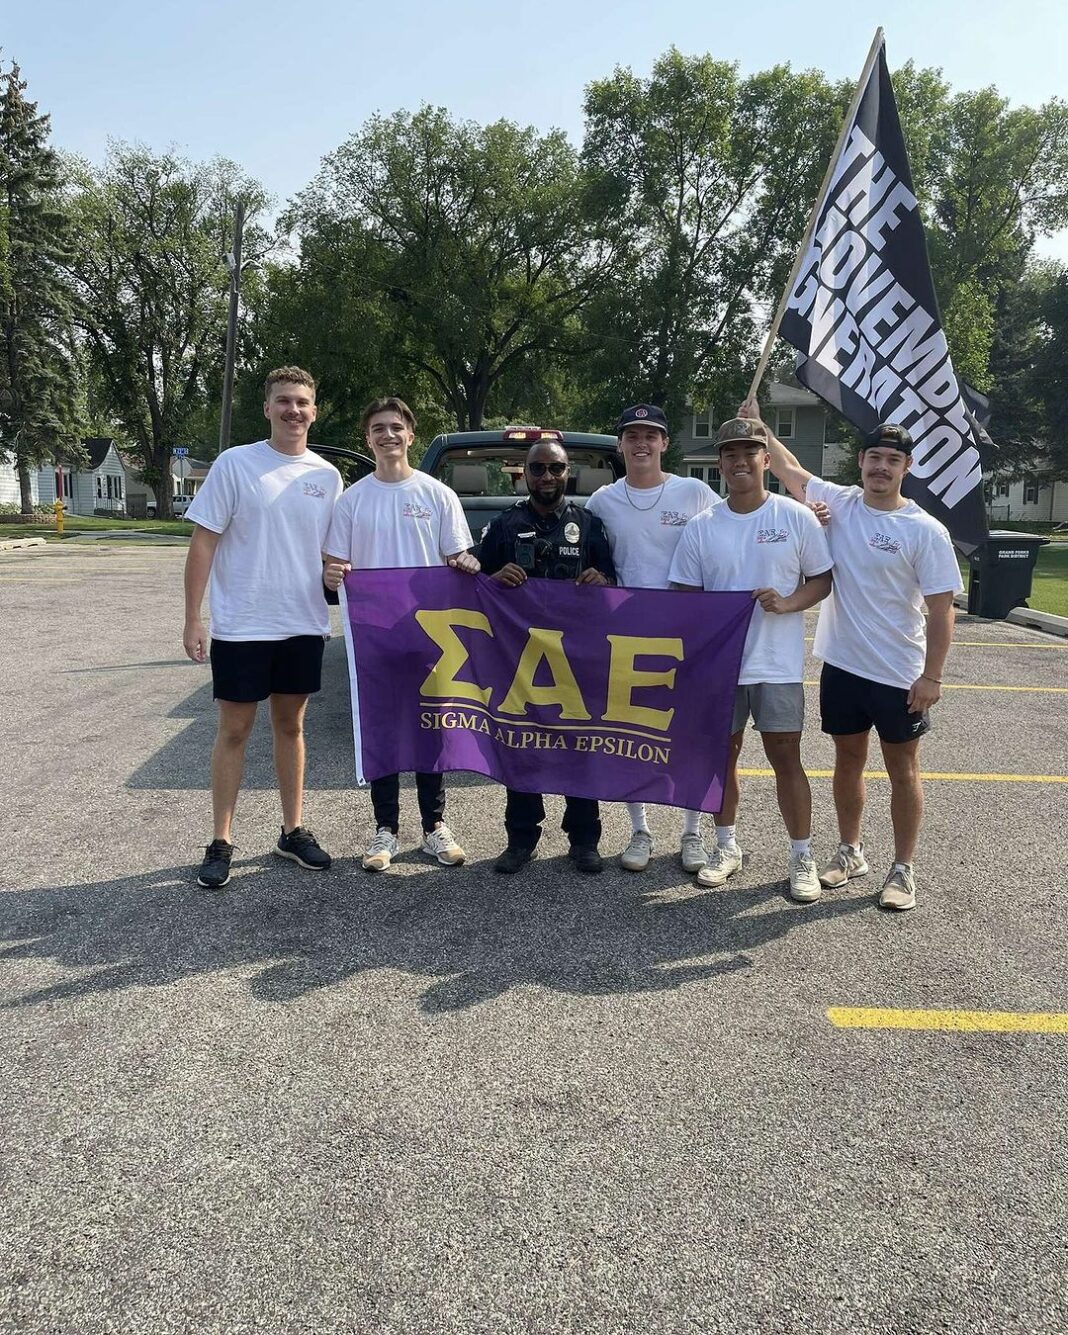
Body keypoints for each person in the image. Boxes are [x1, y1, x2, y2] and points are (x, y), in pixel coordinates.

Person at [755, 406, 963, 911]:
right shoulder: (840, 503)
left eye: (892, 460)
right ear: (862, 462)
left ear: (906, 467)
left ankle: (903, 868)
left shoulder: (925, 530)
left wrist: (932, 676)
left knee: (902, 770)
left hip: (898, 672)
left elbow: (942, 609)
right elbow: (788, 471)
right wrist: (760, 426)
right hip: (843, 666)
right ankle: (851, 851)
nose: (881, 468)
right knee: (847, 763)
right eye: (874, 458)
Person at [184, 366, 343, 889]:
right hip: (242, 624)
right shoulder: (236, 464)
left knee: (291, 728)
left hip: (302, 623)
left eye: (302, 402)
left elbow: (331, 553)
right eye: (284, 401)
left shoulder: (327, 476)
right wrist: (193, 617)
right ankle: (221, 840)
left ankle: (292, 831)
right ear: (267, 408)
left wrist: (334, 573)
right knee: (234, 731)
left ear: (314, 411)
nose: (293, 410)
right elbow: (203, 542)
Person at [669, 416, 833, 901]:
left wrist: (788, 602)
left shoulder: (796, 517)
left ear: (765, 459)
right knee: (723, 758)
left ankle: (802, 856)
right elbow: (685, 596)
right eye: (730, 454)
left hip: (776, 664)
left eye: (748, 453)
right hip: (721, 667)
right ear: (719, 463)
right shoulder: (703, 527)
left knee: (787, 758)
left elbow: (821, 579)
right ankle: (726, 846)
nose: (739, 461)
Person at [323, 396, 479, 873]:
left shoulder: (438, 495)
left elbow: (456, 557)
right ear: (367, 438)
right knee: (385, 729)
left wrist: (468, 564)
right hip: (376, 635)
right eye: (378, 429)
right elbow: (335, 565)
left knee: (431, 729)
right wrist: (332, 574)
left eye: (395, 427)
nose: (388, 435)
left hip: (430, 634)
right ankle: (385, 829)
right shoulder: (352, 501)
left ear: (411, 435)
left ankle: (435, 827)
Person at [584, 403, 720, 873]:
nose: (641, 443)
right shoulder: (602, 501)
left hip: (687, 635)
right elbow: (591, 561)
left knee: (689, 736)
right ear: (620, 444)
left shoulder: (694, 492)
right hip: (627, 636)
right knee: (631, 735)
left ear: (665, 443)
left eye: (650, 435)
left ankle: (692, 832)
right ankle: (639, 829)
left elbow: (732, 529)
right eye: (632, 436)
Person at [478, 434, 616, 875]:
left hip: (577, 660)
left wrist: (602, 581)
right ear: (524, 475)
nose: (547, 476)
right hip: (519, 661)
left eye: (555, 468)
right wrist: (494, 577)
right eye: (537, 468)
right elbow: (473, 585)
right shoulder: (503, 526)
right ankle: (521, 840)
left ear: (567, 472)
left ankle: (584, 840)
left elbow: (615, 586)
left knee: (579, 747)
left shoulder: (589, 525)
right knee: (522, 746)